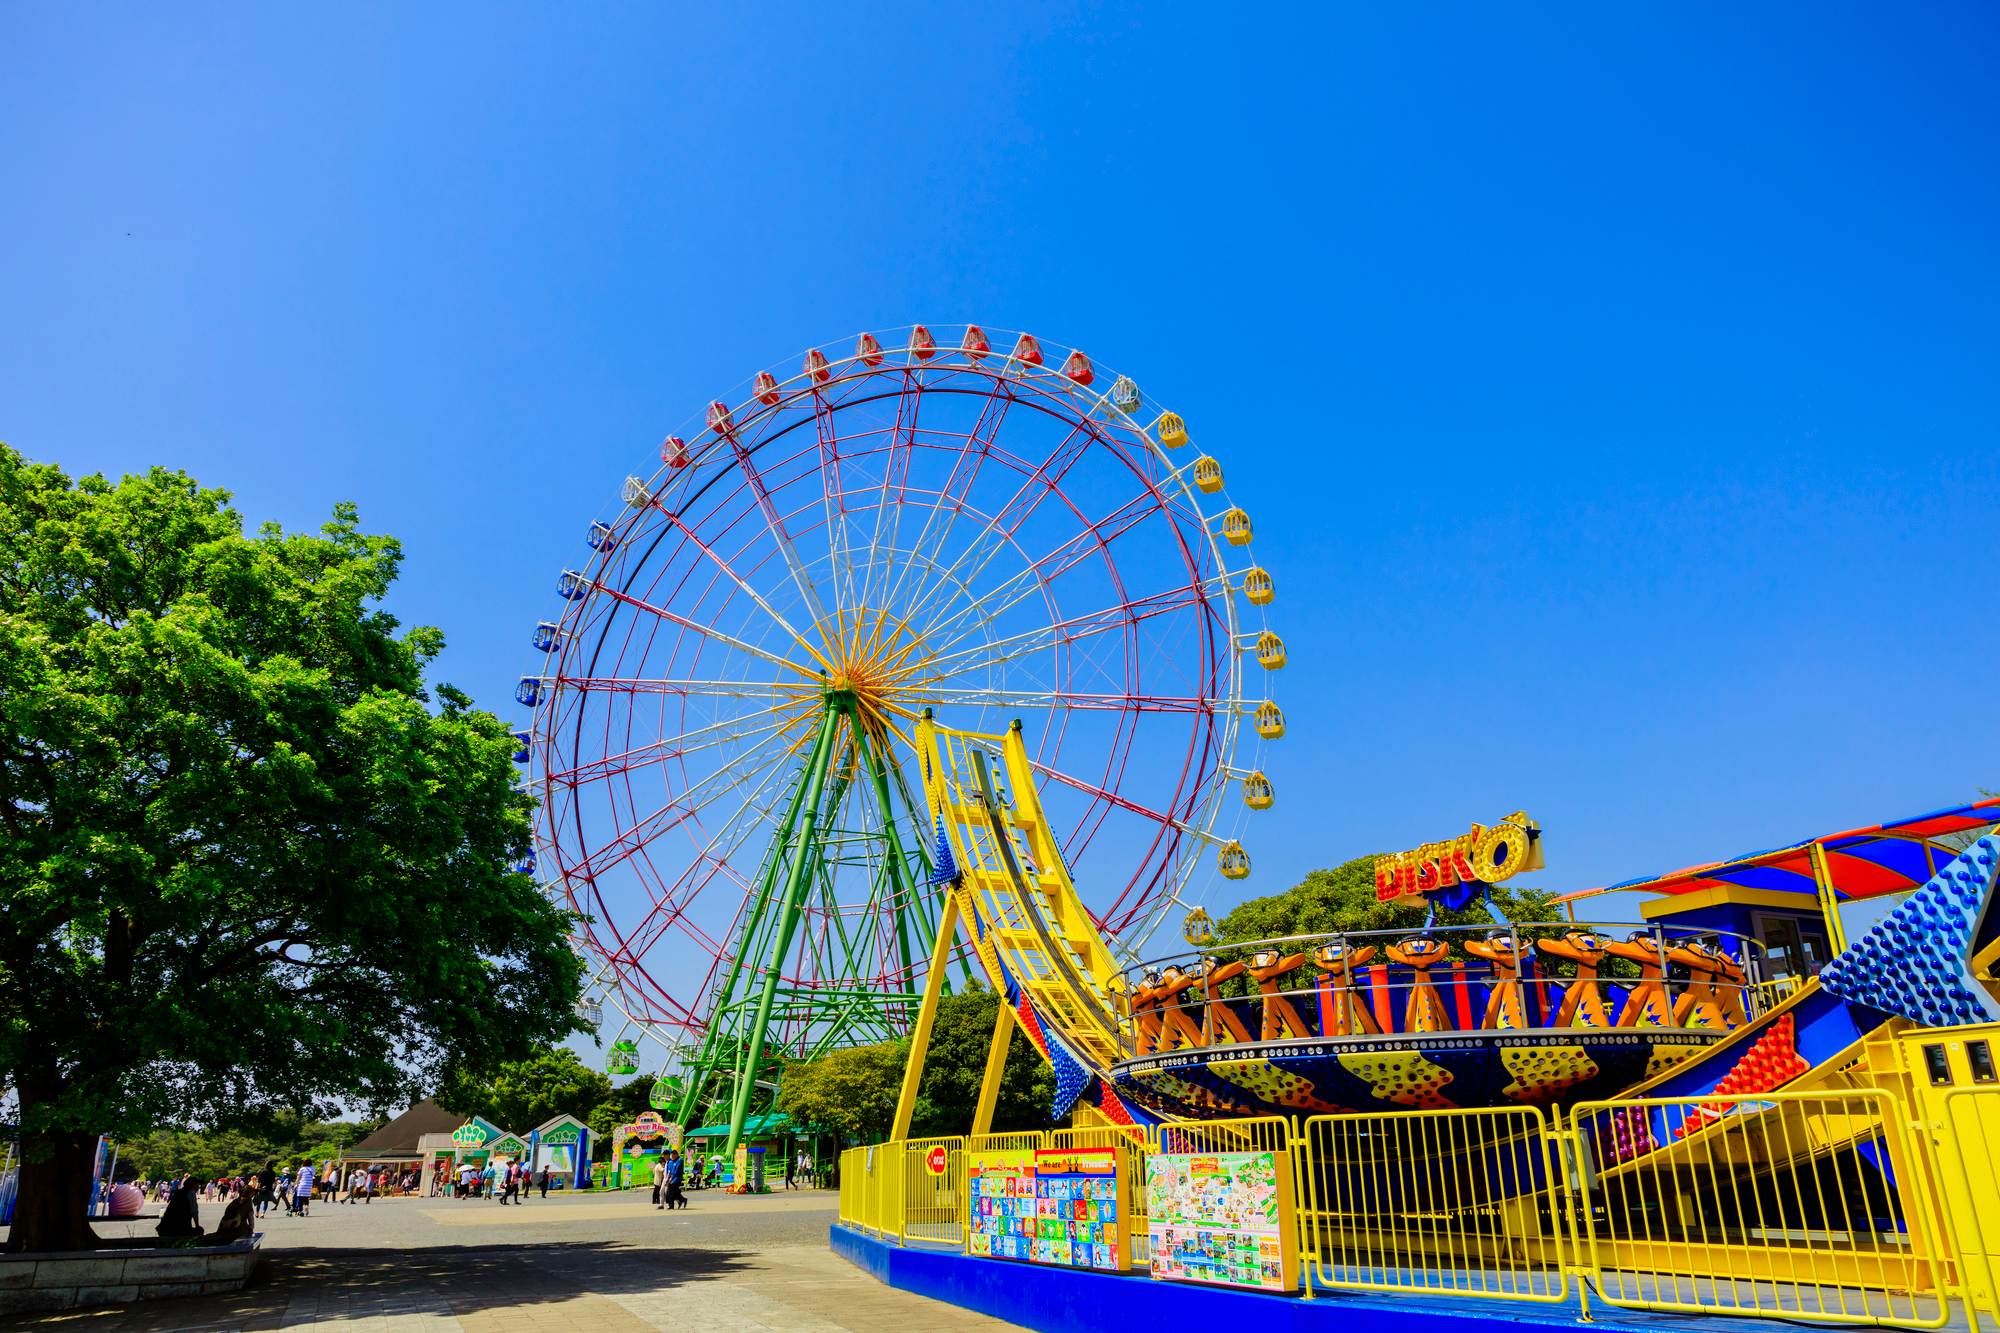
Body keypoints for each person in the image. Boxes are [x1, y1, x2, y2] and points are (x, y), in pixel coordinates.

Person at [157, 1174, 204, 1239]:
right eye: (197, 1185)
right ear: (193, 1185)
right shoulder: (190, 1193)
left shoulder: (178, 1192)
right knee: (200, 1231)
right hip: (180, 1229)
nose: (198, 1187)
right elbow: (194, 1211)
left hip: (164, 1228)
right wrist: (197, 1226)